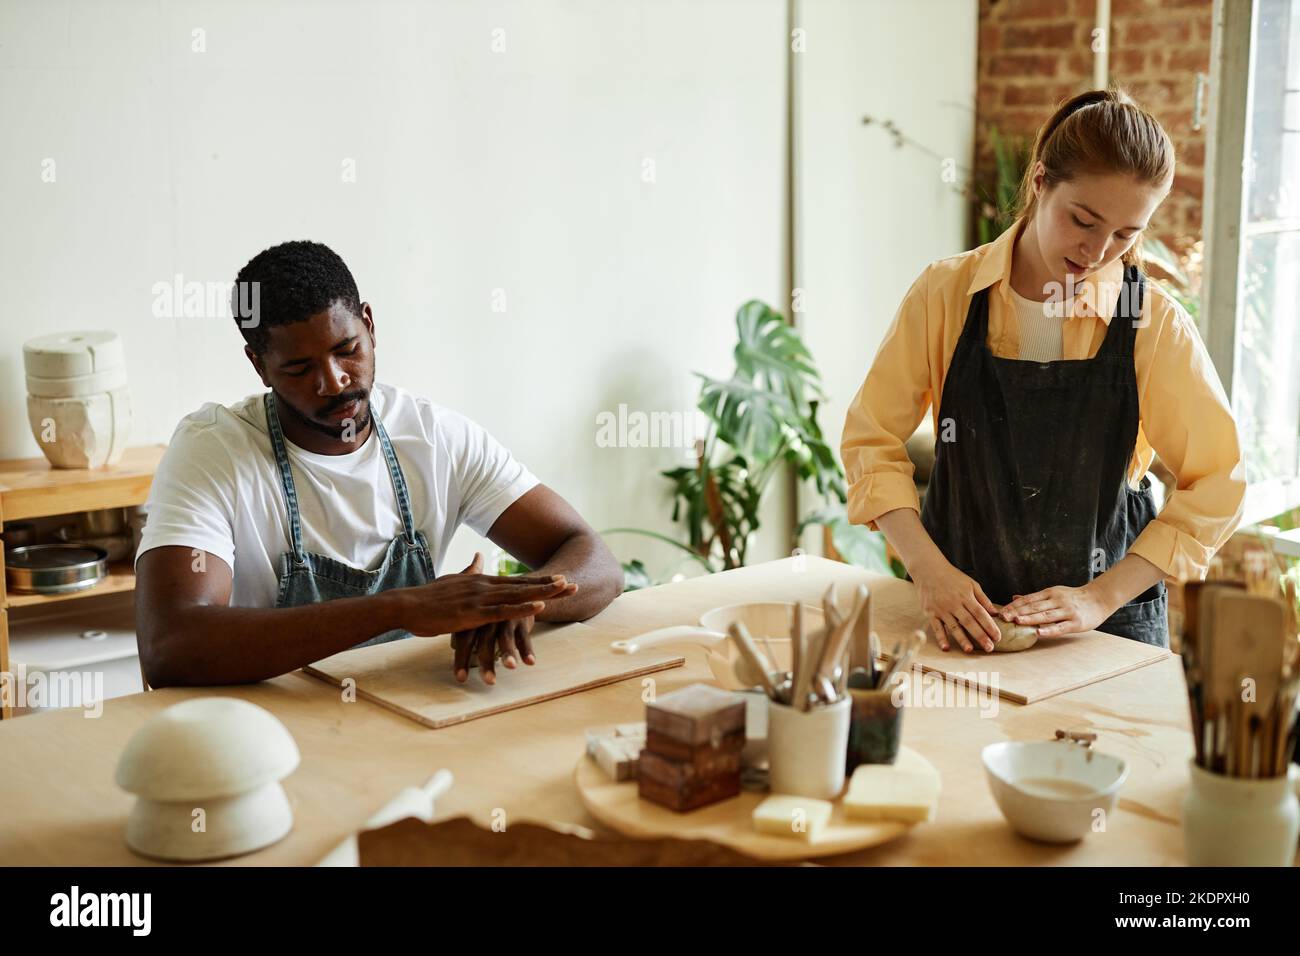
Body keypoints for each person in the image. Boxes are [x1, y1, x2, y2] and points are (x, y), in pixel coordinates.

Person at [841, 89, 1245, 653]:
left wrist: (1100, 597)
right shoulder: (946, 294)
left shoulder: (1152, 323)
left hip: (1104, 633)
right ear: (1038, 182)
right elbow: (871, 440)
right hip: (958, 619)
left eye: (1127, 235)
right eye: (1083, 219)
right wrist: (930, 574)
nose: (1099, 250)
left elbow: (1217, 484)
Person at [135, 240, 623, 686]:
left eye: (347, 350)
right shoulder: (214, 451)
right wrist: (398, 609)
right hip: (273, 733)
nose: (334, 381)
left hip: (410, 711)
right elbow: (172, 644)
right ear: (259, 366)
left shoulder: (433, 437)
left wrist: (520, 601)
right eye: (299, 369)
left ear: (368, 324)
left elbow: (594, 558)